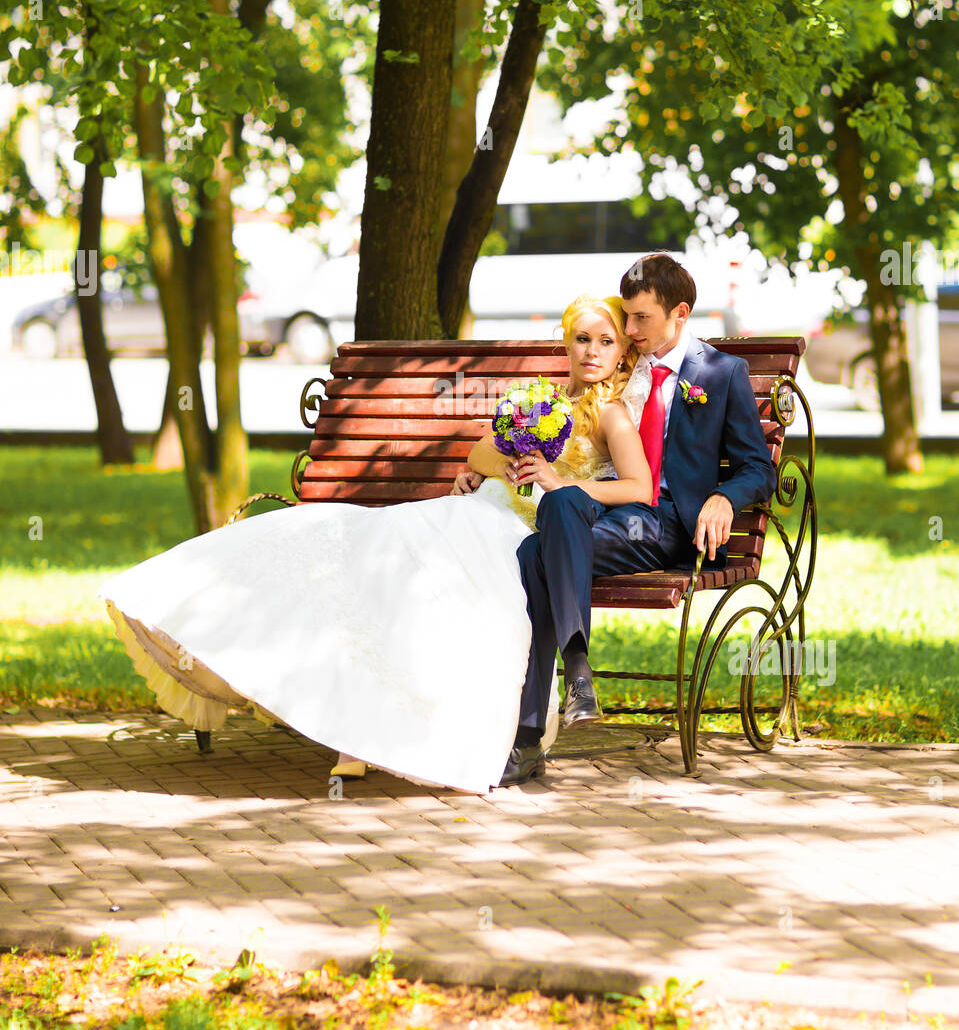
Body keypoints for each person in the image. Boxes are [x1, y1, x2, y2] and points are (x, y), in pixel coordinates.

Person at [96, 294, 643, 795]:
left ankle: (362, 735)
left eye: (605, 341)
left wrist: (561, 482)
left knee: (420, 579)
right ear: (565, 344)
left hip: (523, 535)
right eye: (581, 339)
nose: (591, 351)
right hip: (475, 509)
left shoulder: (612, 415)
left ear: (621, 353)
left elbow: (637, 487)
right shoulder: (540, 399)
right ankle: (347, 722)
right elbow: (479, 453)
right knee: (359, 542)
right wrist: (502, 465)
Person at [454, 253, 778, 785]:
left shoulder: (719, 374)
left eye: (640, 320)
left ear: (680, 313)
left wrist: (723, 498)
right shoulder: (617, 371)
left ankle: (530, 736)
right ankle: (577, 673)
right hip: (602, 512)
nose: (628, 331)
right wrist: (488, 466)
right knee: (552, 519)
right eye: (624, 318)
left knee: (537, 553)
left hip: (667, 523)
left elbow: (756, 468)